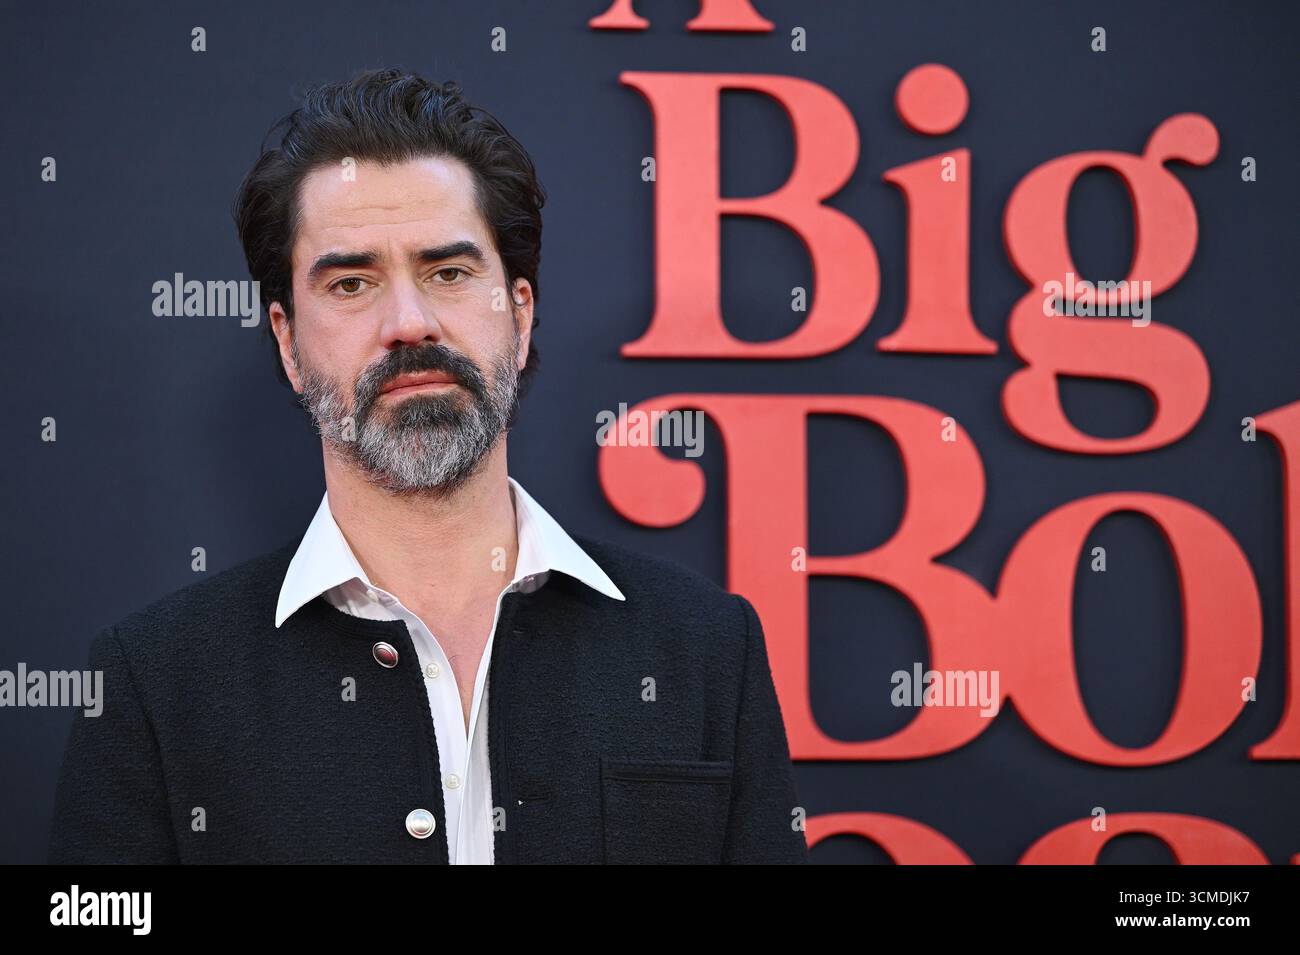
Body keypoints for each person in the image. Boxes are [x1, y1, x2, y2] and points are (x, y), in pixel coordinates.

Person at [48, 68, 808, 864]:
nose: (408, 323)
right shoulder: (153, 685)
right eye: (351, 282)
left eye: (448, 273)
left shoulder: (706, 651)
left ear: (519, 315)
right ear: (287, 340)